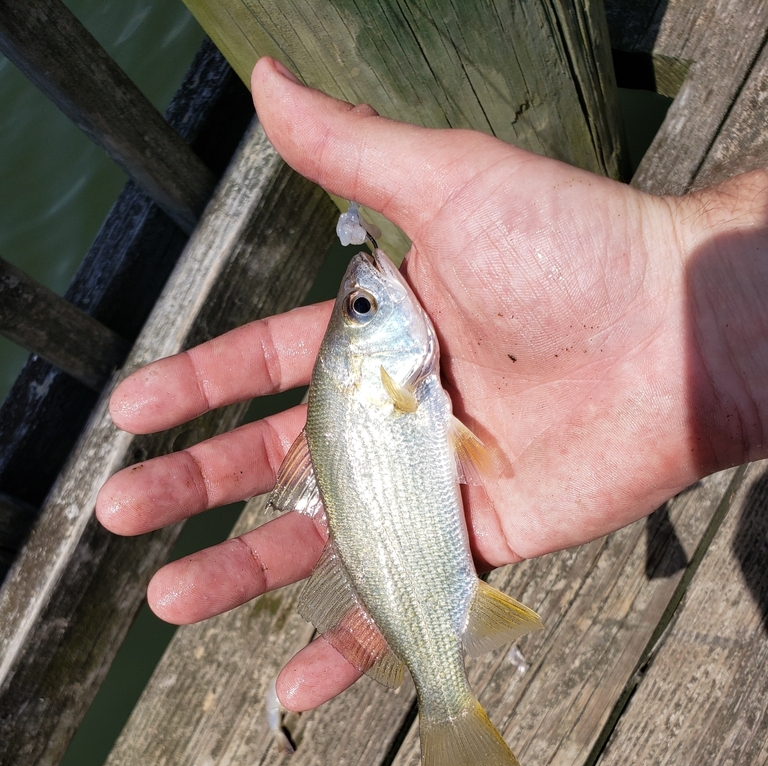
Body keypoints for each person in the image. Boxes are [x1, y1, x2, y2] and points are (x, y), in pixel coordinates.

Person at [95, 56, 768, 712]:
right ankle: (449, 706)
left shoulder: (392, 392)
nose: (368, 291)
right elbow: (458, 453)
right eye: (363, 308)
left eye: (358, 307)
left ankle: (445, 702)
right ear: (368, 377)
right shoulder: (392, 393)